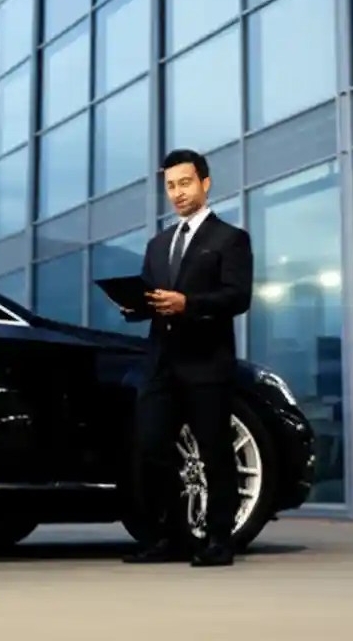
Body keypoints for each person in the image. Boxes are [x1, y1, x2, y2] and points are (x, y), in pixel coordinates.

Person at [119, 148, 253, 568]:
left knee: (214, 452)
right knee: (151, 446)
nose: (177, 193)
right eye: (171, 186)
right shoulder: (157, 244)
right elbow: (152, 295)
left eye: (185, 183)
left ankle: (218, 540)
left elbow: (238, 297)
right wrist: (135, 305)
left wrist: (188, 303)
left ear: (205, 183)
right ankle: (171, 537)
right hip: (161, 363)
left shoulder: (230, 239)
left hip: (207, 363)